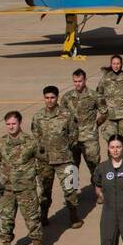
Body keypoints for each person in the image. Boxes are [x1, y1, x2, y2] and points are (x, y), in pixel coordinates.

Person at [0, 110, 44, 245]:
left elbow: (41, 159)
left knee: (32, 217)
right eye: (8, 124)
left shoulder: (31, 142)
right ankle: (6, 244)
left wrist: (30, 173)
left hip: (26, 187)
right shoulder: (0, 143)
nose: (11, 127)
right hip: (6, 188)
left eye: (14, 123)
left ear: (20, 123)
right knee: (6, 217)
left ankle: (37, 243)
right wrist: (8, 172)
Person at [31, 84, 81, 228]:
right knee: (45, 190)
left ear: (57, 97)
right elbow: (35, 136)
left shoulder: (67, 115)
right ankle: (44, 216)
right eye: (47, 98)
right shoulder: (38, 116)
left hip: (64, 159)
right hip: (44, 160)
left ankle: (74, 216)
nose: (49, 100)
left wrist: (63, 148)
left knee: (70, 189)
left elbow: (74, 135)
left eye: (52, 97)